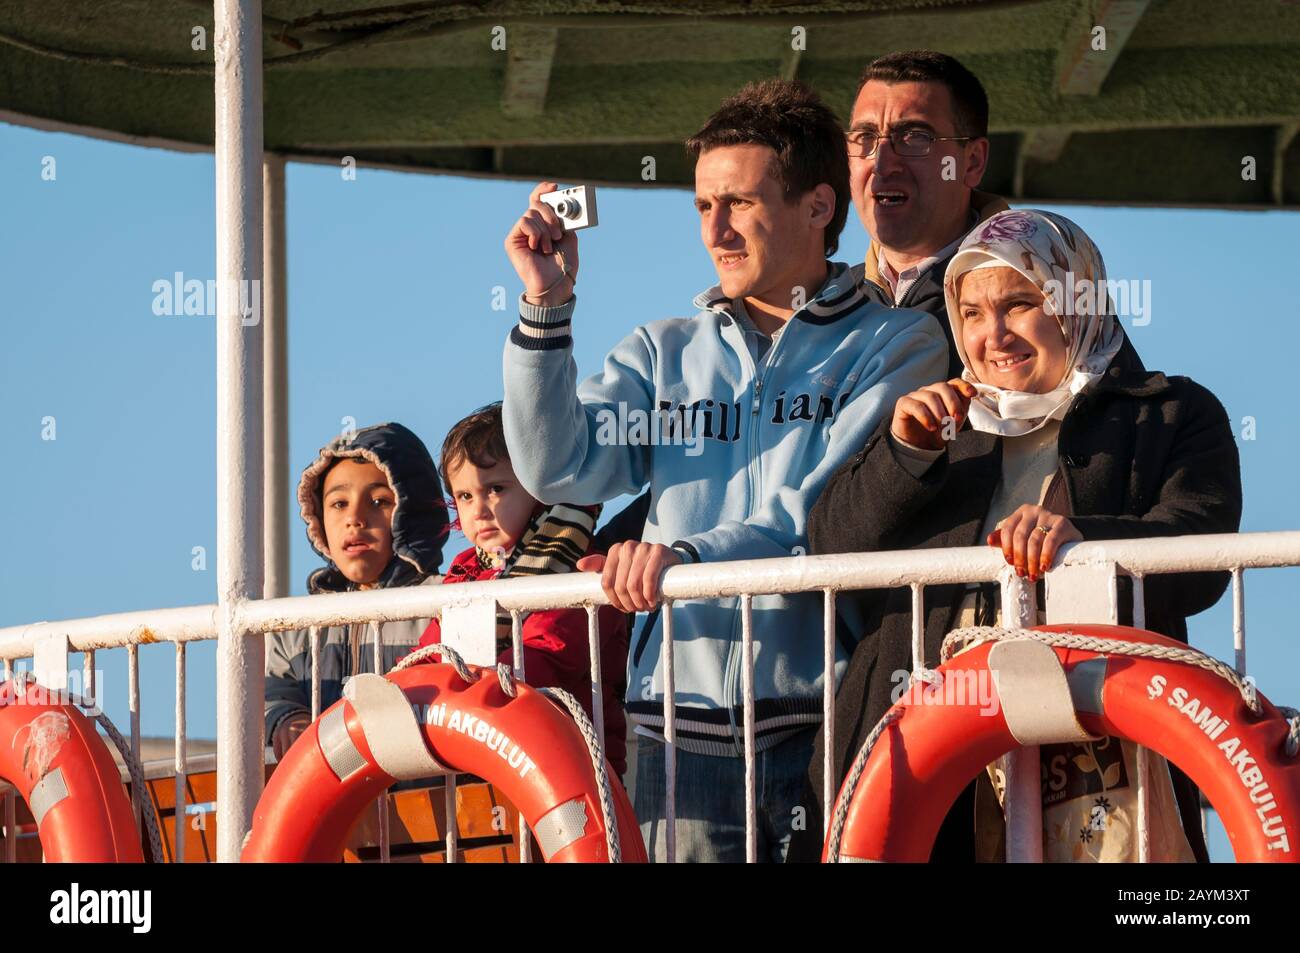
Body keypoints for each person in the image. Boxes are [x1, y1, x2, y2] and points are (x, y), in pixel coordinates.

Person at [499, 78, 949, 861]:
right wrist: (547, 305)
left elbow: (823, 510)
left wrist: (688, 557)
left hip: (829, 719)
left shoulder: (899, 342)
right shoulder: (660, 350)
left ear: (818, 206)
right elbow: (558, 465)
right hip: (677, 729)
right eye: (704, 205)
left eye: (739, 202)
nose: (718, 228)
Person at [791, 209, 1242, 862]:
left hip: (1103, 756)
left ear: (1074, 297)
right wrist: (903, 456)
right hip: (926, 777)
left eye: (1018, 303)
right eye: (970, 313)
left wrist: (1080, 544)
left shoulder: (1171, 412)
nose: (991, 334)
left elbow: (1200, 555)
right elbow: (831, 546)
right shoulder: (936, 423)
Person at [415, 403, 629, 777]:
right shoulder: (467, 570)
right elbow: (434, 649)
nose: (478, 509)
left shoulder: (580, 567)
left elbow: (549, 658)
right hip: (486, 756)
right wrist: (410, 685)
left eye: (495, 489)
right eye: (464, 496)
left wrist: (466, 687)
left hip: (568, 768)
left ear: (539, 487)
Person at [264, 422, 449, 758]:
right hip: (331, 804)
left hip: (428, 798)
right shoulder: (297, 627)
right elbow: (269, 688)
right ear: (317, 518)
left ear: (416, 512)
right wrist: (286, 717)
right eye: (338, 504)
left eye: (378, 501)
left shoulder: (447, 605)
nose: (355, 519)